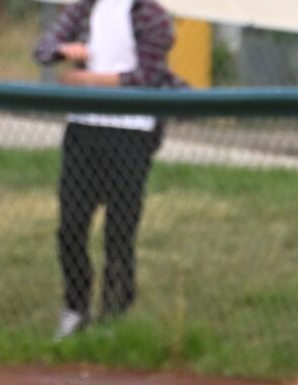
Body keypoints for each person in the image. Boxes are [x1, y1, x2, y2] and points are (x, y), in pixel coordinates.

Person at [33, 0, 185, 340]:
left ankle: (114, 317)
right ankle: (75, 308)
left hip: (132, 133)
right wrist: (61, 50)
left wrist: (86, 79)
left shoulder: (152, 15)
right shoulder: (84, 9)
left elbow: (147, 77)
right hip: (84, 128)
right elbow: (43, 48)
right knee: (71, 225)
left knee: (120, 232)